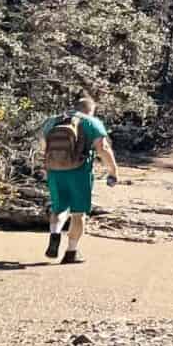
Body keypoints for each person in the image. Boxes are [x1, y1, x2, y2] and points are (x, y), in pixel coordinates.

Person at [42, 96, 119, 264]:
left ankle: (55, 234)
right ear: (90, 110)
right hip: (79, 172)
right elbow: (103, 149)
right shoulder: (91, 122)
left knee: (58, 208)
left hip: (55, 170)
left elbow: (44, 146)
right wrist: (113, 171)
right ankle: (71, 252)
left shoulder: (52, 121)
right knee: (78, 213)